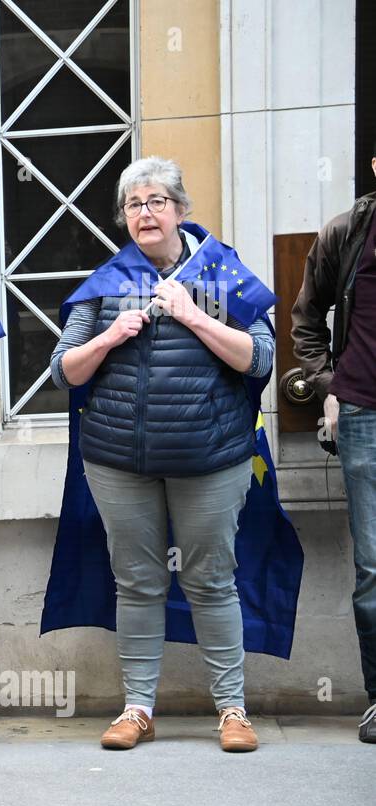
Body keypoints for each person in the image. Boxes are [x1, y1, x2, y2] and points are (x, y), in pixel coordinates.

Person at [49, 156, 276, 753]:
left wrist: (193, 315)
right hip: (118, 460)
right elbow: (64, 372)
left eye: (155, 201)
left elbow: (260, 359)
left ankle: (232, 710)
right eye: (133, 204)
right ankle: (138, 708)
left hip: (212, 458)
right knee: (138, 582)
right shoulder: (105, 283)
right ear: (124, 218)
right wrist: (107, 336)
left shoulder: (222, 272)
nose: (145, 213)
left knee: (210, 580)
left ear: (179, 209)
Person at [291, 137, 376, 743]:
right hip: (365, 415)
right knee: (373, 567)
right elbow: (305, 318)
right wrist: (331, 386)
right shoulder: (347, 232)